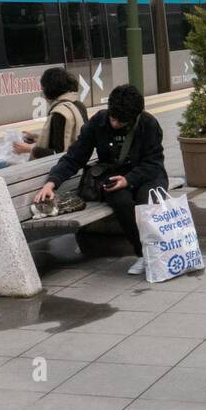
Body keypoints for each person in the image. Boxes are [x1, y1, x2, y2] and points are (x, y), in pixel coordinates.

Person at [33, 84, 168, 275]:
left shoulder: (148, 124)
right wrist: (51, 183)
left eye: (120, 122)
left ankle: (161, 250)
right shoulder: (98, 122)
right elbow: (75, 156)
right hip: (114, 176)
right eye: (112, 118)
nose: (114, 124)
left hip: (146, 175)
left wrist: (129, 180)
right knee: (120, 200)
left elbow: (153, 163)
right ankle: (143, 255)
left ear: (135, 116)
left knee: (145, 200)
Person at [0, 67, 87, 170]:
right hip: (81, 161)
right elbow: (66, 138)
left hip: (58, 169)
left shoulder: (59, 113)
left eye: (43, 88)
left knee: (0, 166)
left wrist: (28, 149)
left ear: (50, 90)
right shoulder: (78, 105)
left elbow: (57, 154)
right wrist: (37, 138)